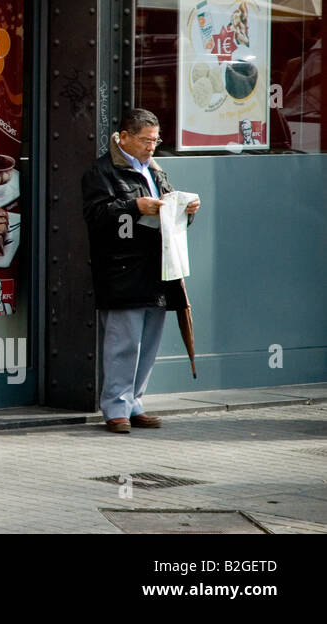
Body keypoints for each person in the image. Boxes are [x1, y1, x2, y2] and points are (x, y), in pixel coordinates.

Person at [81, 109, 201, 434]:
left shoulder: (155, 170)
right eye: (146, 140)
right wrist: (134, 207)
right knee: (124, 342)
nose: (152, 147)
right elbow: (96, 216)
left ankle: (134, 404)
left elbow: (167, 213)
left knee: (148, 342)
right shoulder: (102, 172)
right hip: (122, 270)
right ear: (124, 137)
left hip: (157, 267)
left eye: (155, 140)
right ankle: (116, 408)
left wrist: (186, 211)